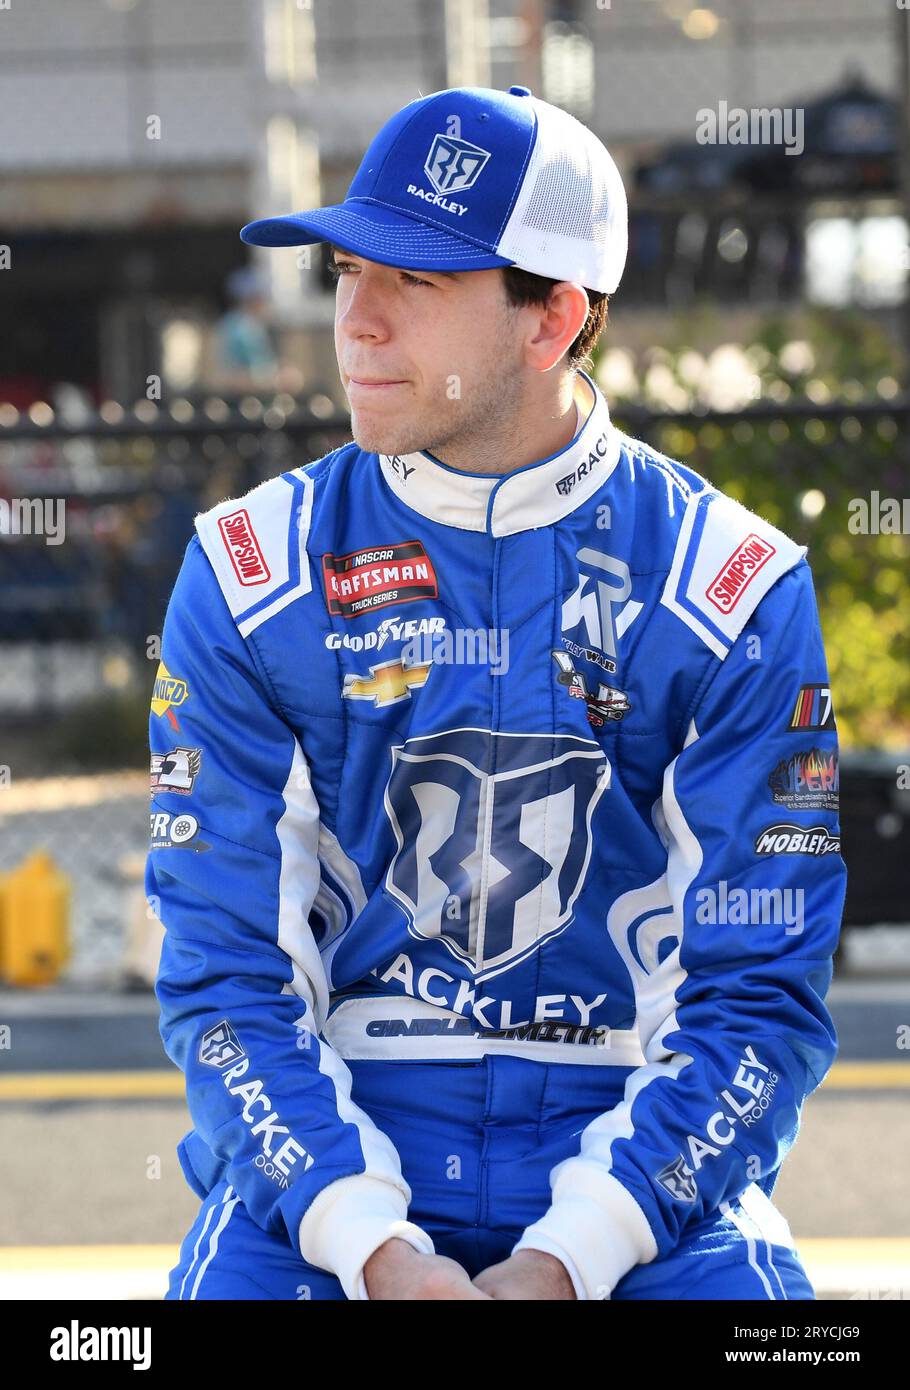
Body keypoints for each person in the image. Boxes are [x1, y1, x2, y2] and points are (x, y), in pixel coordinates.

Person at [149, 85, 846, 1301]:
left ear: (553, 319)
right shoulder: (250, 574)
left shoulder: (729, 588)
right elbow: (224, 979)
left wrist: (570, 1260)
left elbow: (758, 999)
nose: (353, 324)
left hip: (641, 1192)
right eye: (346, 271)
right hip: (319, 1185)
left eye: (412, 283)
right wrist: (368, 1245)